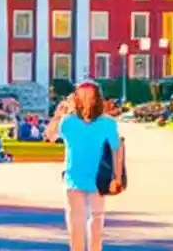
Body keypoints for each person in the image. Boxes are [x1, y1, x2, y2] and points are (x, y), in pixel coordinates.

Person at [45, 80, 124, 251]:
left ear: (97, 98)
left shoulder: (107, 123)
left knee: (96, 222)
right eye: (82, 94)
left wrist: (117, 178)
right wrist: (57, 116)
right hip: (74, 178)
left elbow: (117, 150)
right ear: (76, 98)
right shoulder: (68, 122)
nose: (86, 98)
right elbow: (50, 136)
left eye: (90, 94)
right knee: (76, 222)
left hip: (99, 178)